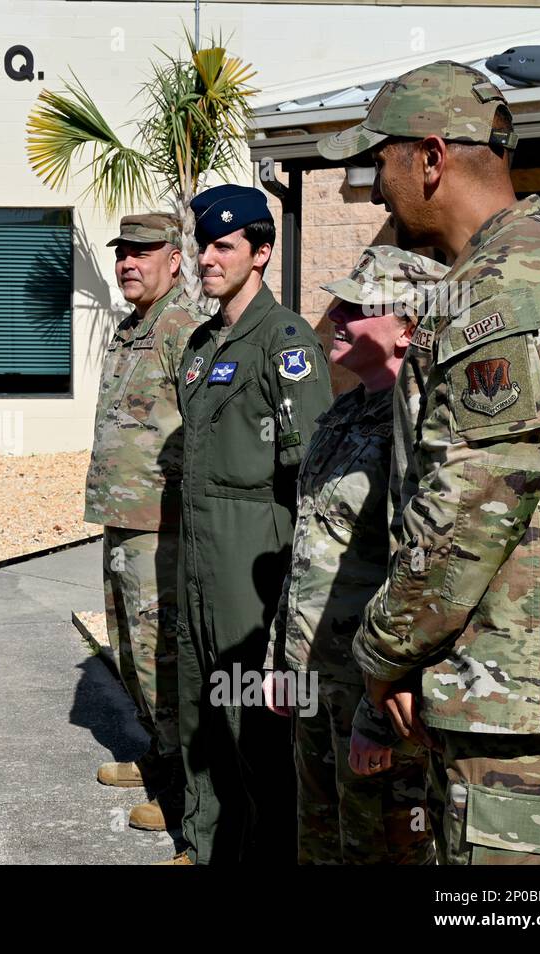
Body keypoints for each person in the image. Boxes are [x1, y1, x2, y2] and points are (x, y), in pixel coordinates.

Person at [320, 60, 540, 865]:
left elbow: (468, 512)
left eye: (379, 159)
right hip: (511, 696)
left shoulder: (512, 282)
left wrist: (382, 657)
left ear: (430, 157)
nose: (375, 184)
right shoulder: (497, 274)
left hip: (534, 705)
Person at [265, 245, 445, 865]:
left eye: (360, 306)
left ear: (409, 328)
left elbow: (420, 571)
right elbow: (310, 547)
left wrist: (377, 708)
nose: (336, 315)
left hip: (372, 687)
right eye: (339, 301)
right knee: (319, 841)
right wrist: (282, 656)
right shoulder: (345, 412)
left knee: (382, 849)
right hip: (318, 676)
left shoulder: (426, 429)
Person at [172, 184, 333, 864]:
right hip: (200, 560)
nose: (207, 257)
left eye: (224, 245)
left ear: (262, 252)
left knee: (255, 733)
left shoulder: (284, 340)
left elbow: (314, 480)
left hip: (255, 559)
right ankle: (204, 846)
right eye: (203, 244)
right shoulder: (203, 342)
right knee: (200, 716)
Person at [86, 213, 203, 836]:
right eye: (123, 253)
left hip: (163, 522)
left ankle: (186, 790)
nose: (128, 263)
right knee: (130, 648)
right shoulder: (134, 328)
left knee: (164, 654)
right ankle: (160, 755)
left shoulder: (183, 328)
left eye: (142, 252)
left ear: (175, 258)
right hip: (121, 516)